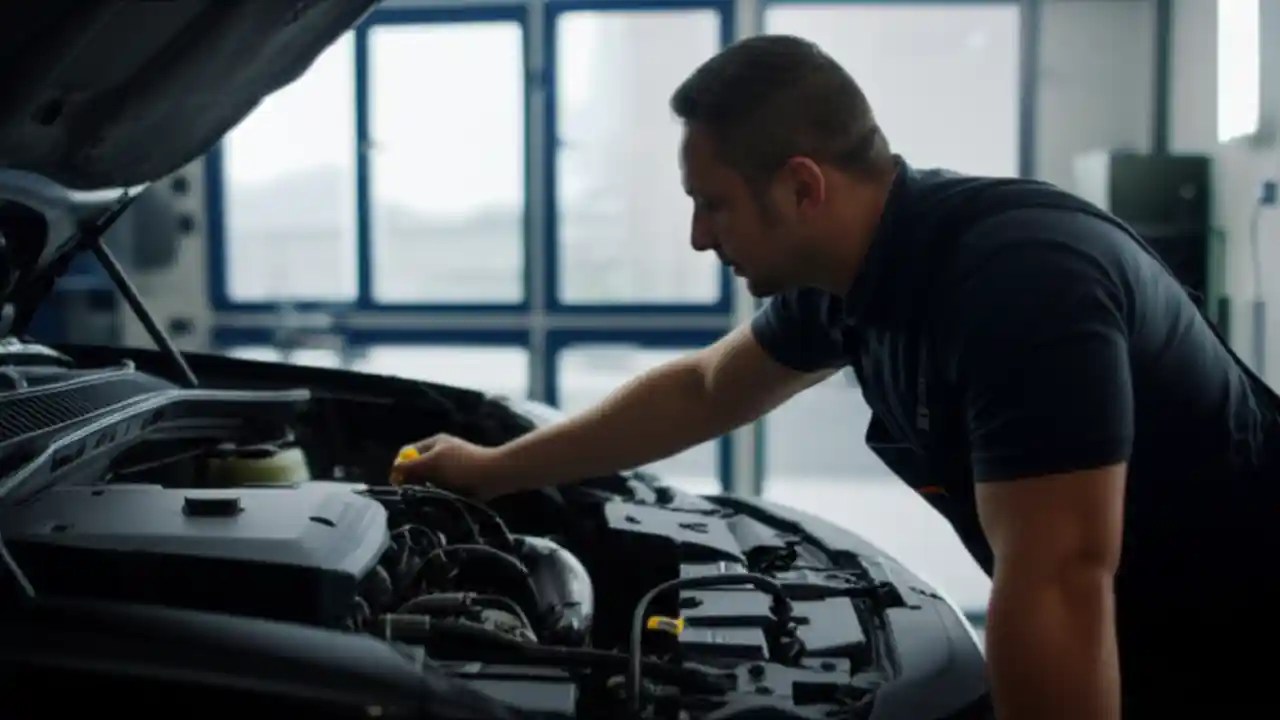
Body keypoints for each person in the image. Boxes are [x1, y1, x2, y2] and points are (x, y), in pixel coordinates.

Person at [394, 35, 1280, 717]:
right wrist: (491, 467)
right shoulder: (853, 277)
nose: (701, 238)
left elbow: (1057, 580)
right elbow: (707, 389)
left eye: (712, 203)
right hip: (1149, 629)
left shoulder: (1020, 284)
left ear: (802, 188)